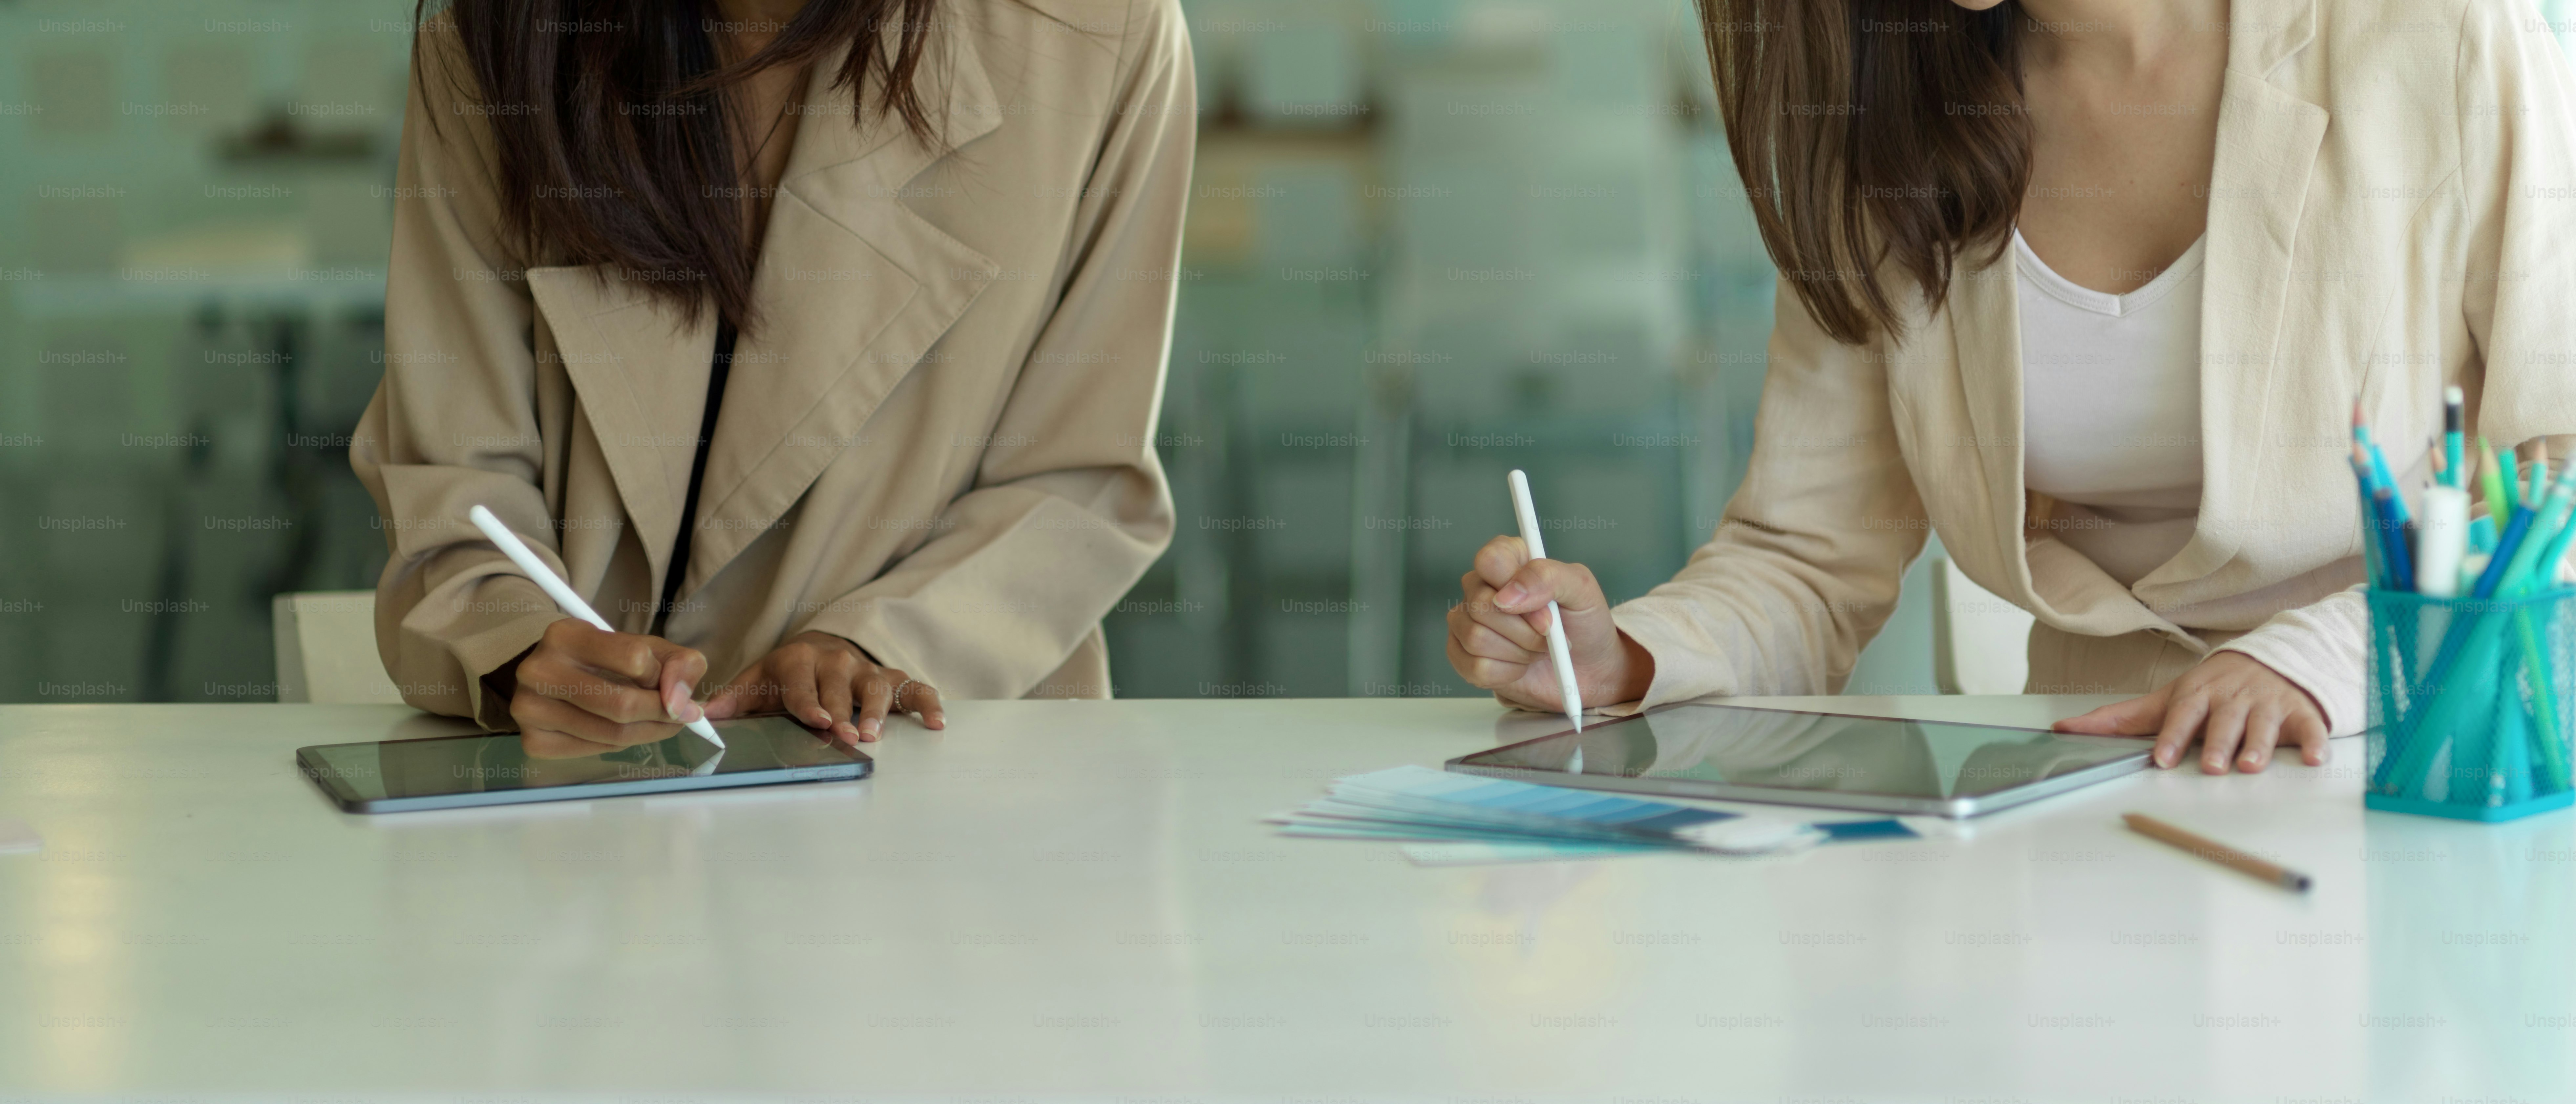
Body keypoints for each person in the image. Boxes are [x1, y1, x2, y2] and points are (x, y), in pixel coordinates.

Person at [1448, 0, 2576, 774]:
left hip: (2424, 760)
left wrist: (2315, 660)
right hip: (2088, 791)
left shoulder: (2438, 37)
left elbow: (2562, 467)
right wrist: (1623, 658)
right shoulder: (1890, 118)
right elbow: (1807, 559)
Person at [354, 0, 1193, 756]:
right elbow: (454, 483)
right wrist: (523, 647)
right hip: (587, 818)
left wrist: (871, 644)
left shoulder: (1100, 33)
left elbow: (1079, 479)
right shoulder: (503, 40)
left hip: (931, 795)